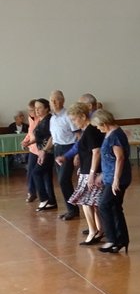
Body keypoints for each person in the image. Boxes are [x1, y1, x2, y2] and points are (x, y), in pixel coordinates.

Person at [58, 102, 104, 245]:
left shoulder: (90, 131)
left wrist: (91, 173)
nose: (73, 122)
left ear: (83, 116)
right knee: (93, 203)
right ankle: (99, 229)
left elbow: (96, 152)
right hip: (88, 170)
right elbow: (80, 148)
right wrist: (67, 156)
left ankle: (93, 231)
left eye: (74, 119)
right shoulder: (87, 130)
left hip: (91, 171)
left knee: (85, 201)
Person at [93, 109, 131, 254]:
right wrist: (103, 174)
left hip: (117, 179)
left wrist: (116, 180)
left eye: (98, 125)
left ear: (104, 123)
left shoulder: (115, 135)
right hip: (110, 177)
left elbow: (119, 158)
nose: (97, 128)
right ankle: (121, 240)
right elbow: (109, 158)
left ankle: (112, 239)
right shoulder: (111, 133)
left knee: (104, 205)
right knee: (115, 207)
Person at [49, 90, 79, 220]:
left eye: (57, 100)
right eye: (52, 100)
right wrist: (45, 151)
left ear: (63, 100)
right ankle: (71, 209)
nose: (54, 103)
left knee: (63, 179)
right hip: (57, 149)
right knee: (62, 182)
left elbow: (78, 135)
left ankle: (73, 209)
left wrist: (77, 154)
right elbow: (53, 137)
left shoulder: (68, 115)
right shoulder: (52, 118)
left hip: (69, 149)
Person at [31, 98, 57, 212]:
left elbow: (51, 136)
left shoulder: (49, 119)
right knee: (46, 176)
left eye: (39, 107)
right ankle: (51, 201)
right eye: (35, 108)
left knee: (36, 172)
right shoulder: (41, 120)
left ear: (47, 108)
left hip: (48, 152)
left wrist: (45, 150)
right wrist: (29, 142)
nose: (36, 110)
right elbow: (40, 137)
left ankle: (44, 198)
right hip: (42, 151)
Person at [20, 100, 39, 202]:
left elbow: (37, 136)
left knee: (39, 173)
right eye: (29, 110)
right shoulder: (30, 119)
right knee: (30, 171)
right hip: (32, 149)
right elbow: (30, 132)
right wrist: (25, 141)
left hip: (40, 149)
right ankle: (31, 192)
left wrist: (29, 142)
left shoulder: (40, 120)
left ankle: (45, 194)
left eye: (32, 110)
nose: (30, 112)